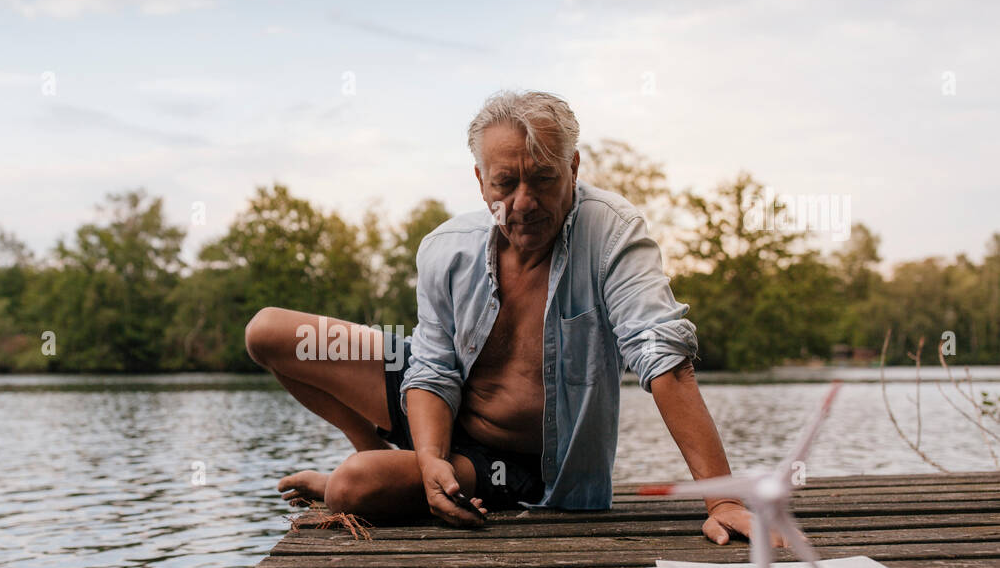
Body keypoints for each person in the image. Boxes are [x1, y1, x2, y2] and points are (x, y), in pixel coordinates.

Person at [245, 89, 753, 544]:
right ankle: (379, 451)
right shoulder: (447, 248)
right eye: (505, 184)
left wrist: (722, 500)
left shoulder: (612, 233)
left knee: (351, 487)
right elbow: (433, 369)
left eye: (544, 179)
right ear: (480, 180)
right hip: (433, 404)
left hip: (509, 463)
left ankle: (371, 472)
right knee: (267, 332)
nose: (523, 204)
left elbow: (662, 355)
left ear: (574, 168)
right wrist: (427, 460)